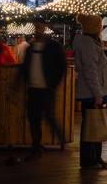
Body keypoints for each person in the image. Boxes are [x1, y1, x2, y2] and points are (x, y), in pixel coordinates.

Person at [14, 23, 67, 161]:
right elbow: (25, 67)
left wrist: (53, 84)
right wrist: (18, 82)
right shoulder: (31, 47)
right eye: (36, 28)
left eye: (40, 28)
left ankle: (61, 138)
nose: (38, 30)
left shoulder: (53, 47)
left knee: (48, 116)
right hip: (33, 89)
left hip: (46, 89)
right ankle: (37, 145)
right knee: (34, 119)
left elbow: (62, 66)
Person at [73, 14, 107, 169]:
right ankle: (89, 160)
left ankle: (96, 157)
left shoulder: (91, 42)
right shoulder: (87, 44)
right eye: (99, 24)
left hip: (97, 91)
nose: (101, 27)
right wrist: (98, 94)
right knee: (91, 126)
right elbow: (91, 71)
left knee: (95, 125)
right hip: (92, 93)